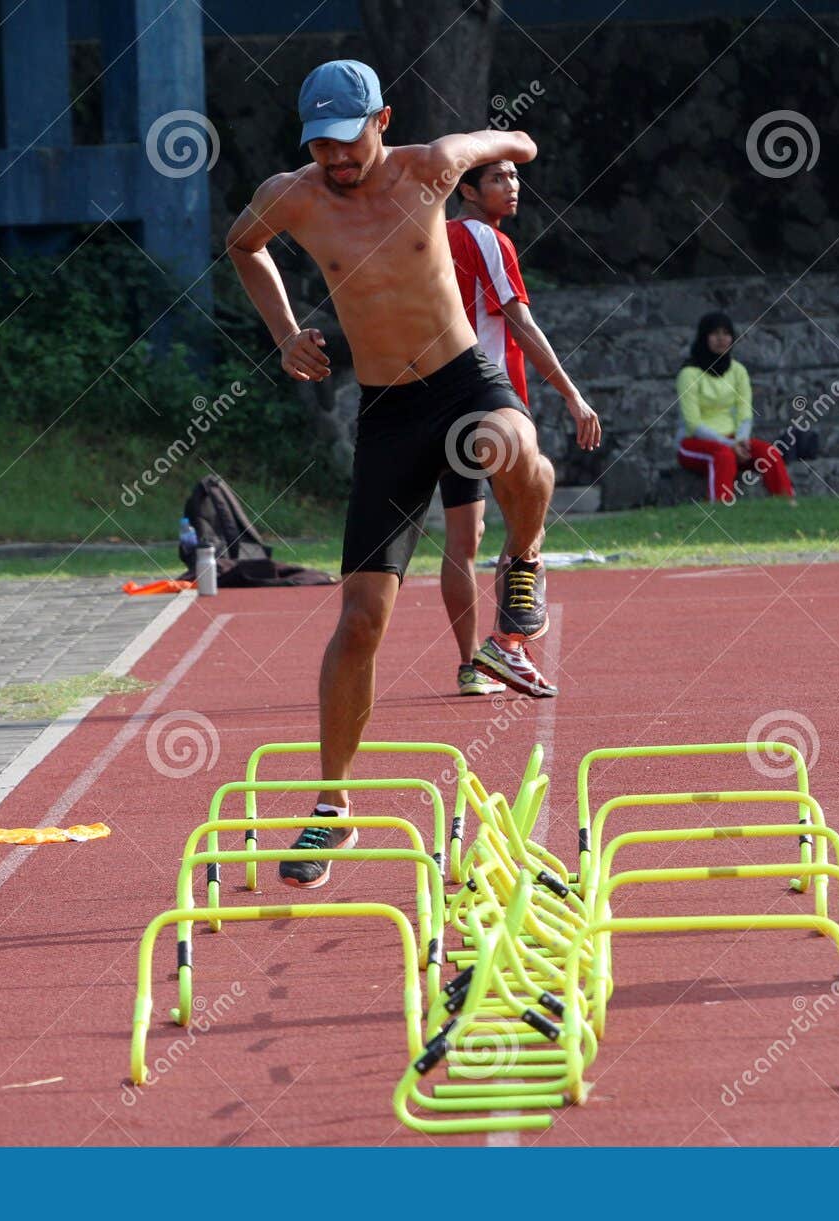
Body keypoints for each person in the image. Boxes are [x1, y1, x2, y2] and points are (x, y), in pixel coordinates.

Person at [225, 60, 567, 889]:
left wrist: (499, 147)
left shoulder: (431, 165)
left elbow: (518, 140)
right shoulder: (292, 195)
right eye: (321, 145)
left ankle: (521, 562)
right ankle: (332, 806)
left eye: (347, 142)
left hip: (460, 381)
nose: (336, 161)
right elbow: (243, 245)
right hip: (386, 412)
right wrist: (283, 332)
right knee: (361, 618)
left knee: (511, 448)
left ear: (382, 120)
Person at [441, 160, 601, 696]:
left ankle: (473, 665)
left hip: (437, 403)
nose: (512, 186)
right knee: (531, 507)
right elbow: (520, 322)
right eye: (498, 179)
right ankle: (508, 643)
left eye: (514, 177)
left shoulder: (431, 239)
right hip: (489, 401)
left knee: (464, 540)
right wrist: (573, 395)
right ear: (467, 188)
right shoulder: (486, 238)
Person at [675, 311, 796, 505]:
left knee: (769, 452)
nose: (721, 339)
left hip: (734, 440)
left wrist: (741, 441)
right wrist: (729, 445)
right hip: (694, 443)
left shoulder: (738, 371)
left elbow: (744, 412)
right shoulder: (688, 374)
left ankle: (786, 502)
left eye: (726, 333)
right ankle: (720, 508)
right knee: (724, 456)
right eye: (715, 334)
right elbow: (693, 423)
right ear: (704, 337)